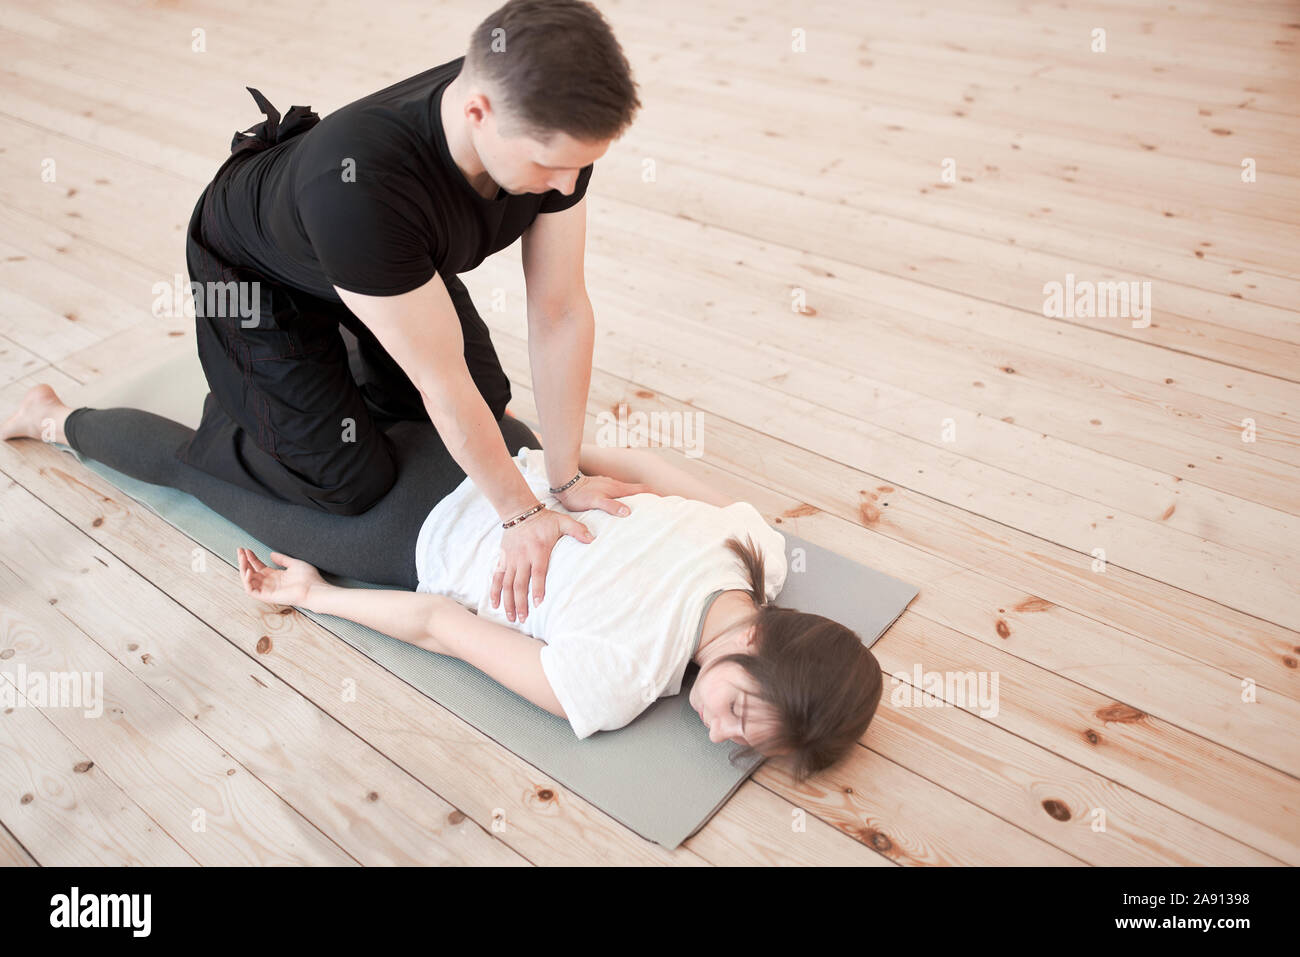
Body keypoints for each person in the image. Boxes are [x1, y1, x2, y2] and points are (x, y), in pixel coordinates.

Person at [3, 384, 885, 782]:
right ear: (766, 642)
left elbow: (643, 460)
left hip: (494, 444)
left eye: (740, 744)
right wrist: (317, 595)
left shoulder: (755, 545)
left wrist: (555, 462)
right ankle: (51, 417)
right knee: (205, 472)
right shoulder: (615, 682)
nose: (714, 727)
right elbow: (437, 623)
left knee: (347, 381)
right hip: (401, 529)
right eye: (738, 710)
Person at [181, 0, 644, 626]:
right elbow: (439, 379)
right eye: (550, 164)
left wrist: (564, 482)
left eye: (584, 162)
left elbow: (559, 313)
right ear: (479, 113)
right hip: (255, 274)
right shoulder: (364, 189)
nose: (568, 185)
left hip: (386, 262)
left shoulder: (546, 122)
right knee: (349, 483)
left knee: (489, 399)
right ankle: (237, 412)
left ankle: (339, 360)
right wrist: (522, 516)